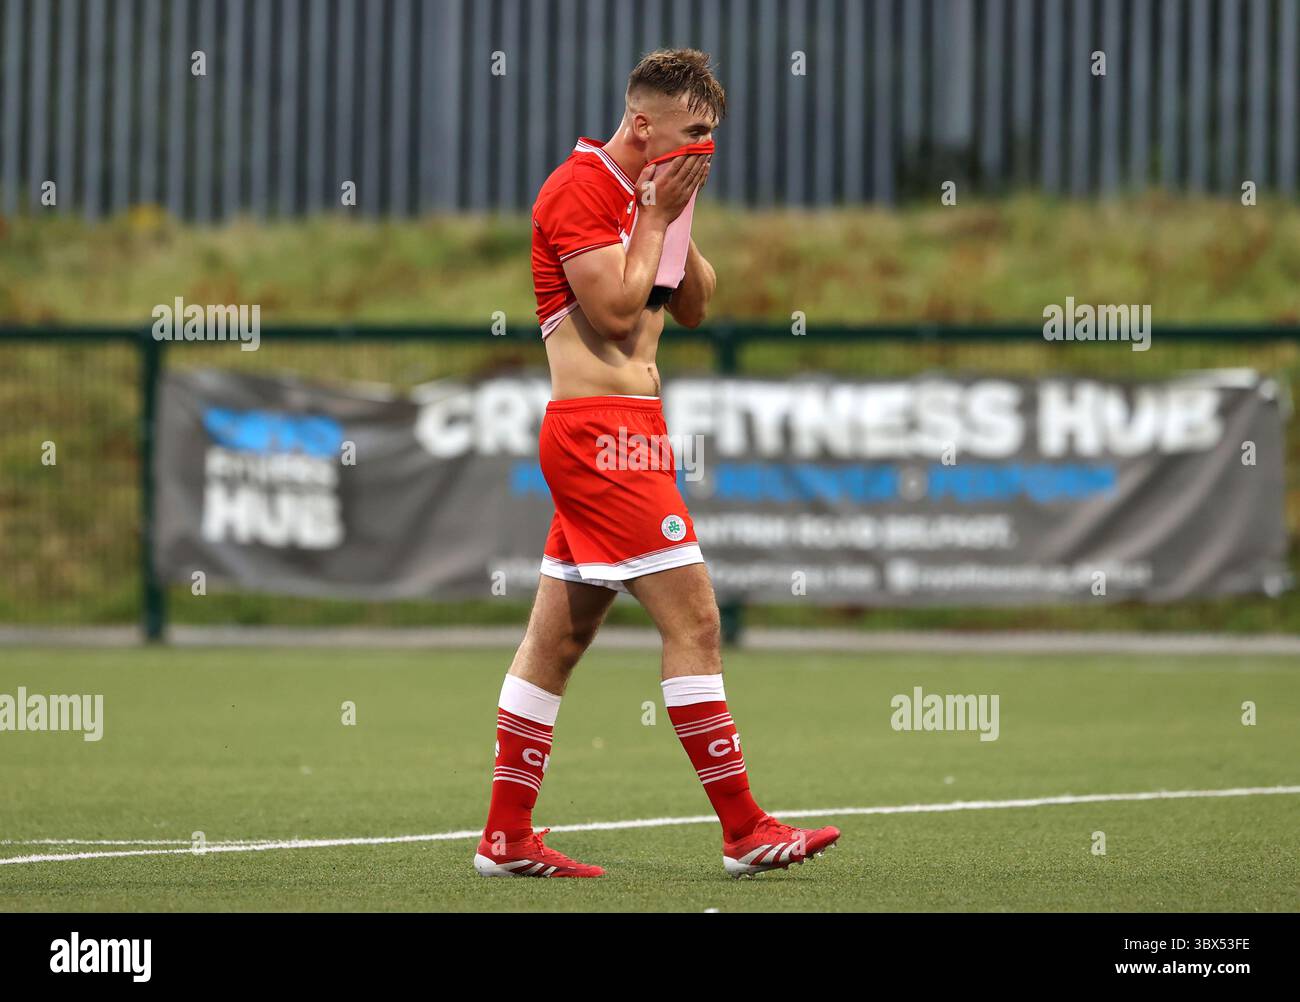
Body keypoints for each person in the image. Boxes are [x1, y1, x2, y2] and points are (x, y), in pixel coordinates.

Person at [475, 48, 840, 879]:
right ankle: (744, 828)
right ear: (643, 124)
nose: (706, 149)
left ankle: (505, 835)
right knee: (697, 623)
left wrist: (675, 215)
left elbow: (698, 307)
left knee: (555, 643)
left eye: (712, 135)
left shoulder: (655, 197)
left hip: (631, 428)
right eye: (694, 133)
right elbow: (610, 314)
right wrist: (649, 217)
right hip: (602, 436)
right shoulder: (578, 189)